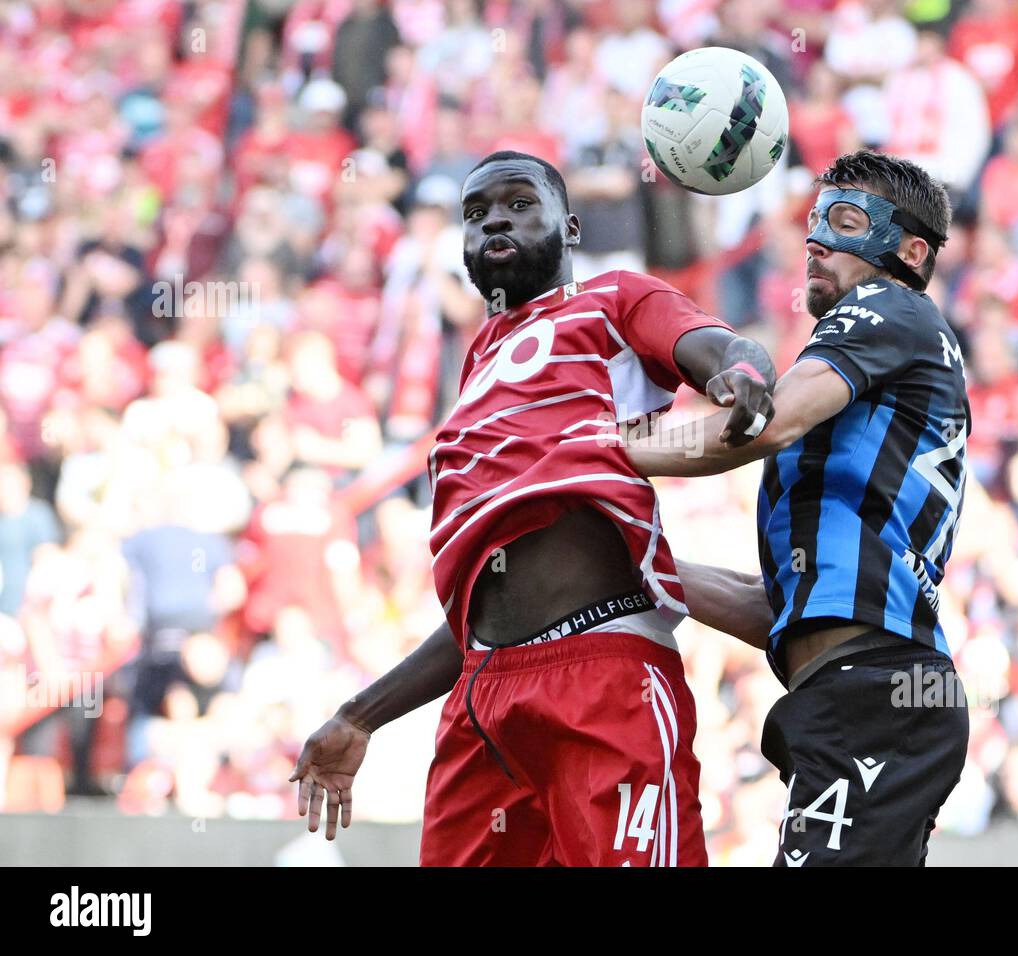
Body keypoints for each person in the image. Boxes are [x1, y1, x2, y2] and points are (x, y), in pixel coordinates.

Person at [290, 151, 776, 867]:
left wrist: (739, 374)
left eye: (520, 202)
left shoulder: (612, 300)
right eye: (477, 211)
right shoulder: (477, 367)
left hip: (605, 673)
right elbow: (474, 613)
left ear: (570, 227)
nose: (495, 218)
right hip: (484, 698)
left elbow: (720, 347)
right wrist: (360, 716)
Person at [626, 149, 971, 866]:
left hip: (872, 697)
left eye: (847, 222)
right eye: (815, 221)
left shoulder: (889, 306)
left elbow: (759, 427)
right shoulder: (881, 371)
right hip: (867, 694)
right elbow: (785, 607)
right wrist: (639, 567)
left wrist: (590, 452)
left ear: (911, 251)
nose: (817, 240)